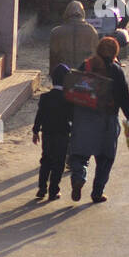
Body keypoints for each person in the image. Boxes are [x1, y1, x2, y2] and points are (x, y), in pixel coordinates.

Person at [67, 36, 129, 203]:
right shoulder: (116, 71)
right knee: (105, 158)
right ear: (115, 52)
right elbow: (124, 97)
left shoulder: (86, 65)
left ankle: (79, 176)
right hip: (107, 120)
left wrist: (71, 117)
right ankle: (97, 192)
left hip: (84, 117)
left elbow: (74, 90)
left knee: (80, 154)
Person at [32, 64, 73, 202]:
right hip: (62, 135)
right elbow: (73, 118)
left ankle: (42, 189)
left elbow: (40, 115)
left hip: (47, 134)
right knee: (59, 163)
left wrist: (35, 131)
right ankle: (53, 191)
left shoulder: (45, 97)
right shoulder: (69, 99)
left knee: (46, 160)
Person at [49, 0, 98, 74]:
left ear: (66, 13)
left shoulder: (56, 32)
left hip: (64, 75)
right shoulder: (92, 31)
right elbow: (95, 56)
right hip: (85, 75)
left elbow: (53, 58)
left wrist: (52, 74)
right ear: (83, 13)